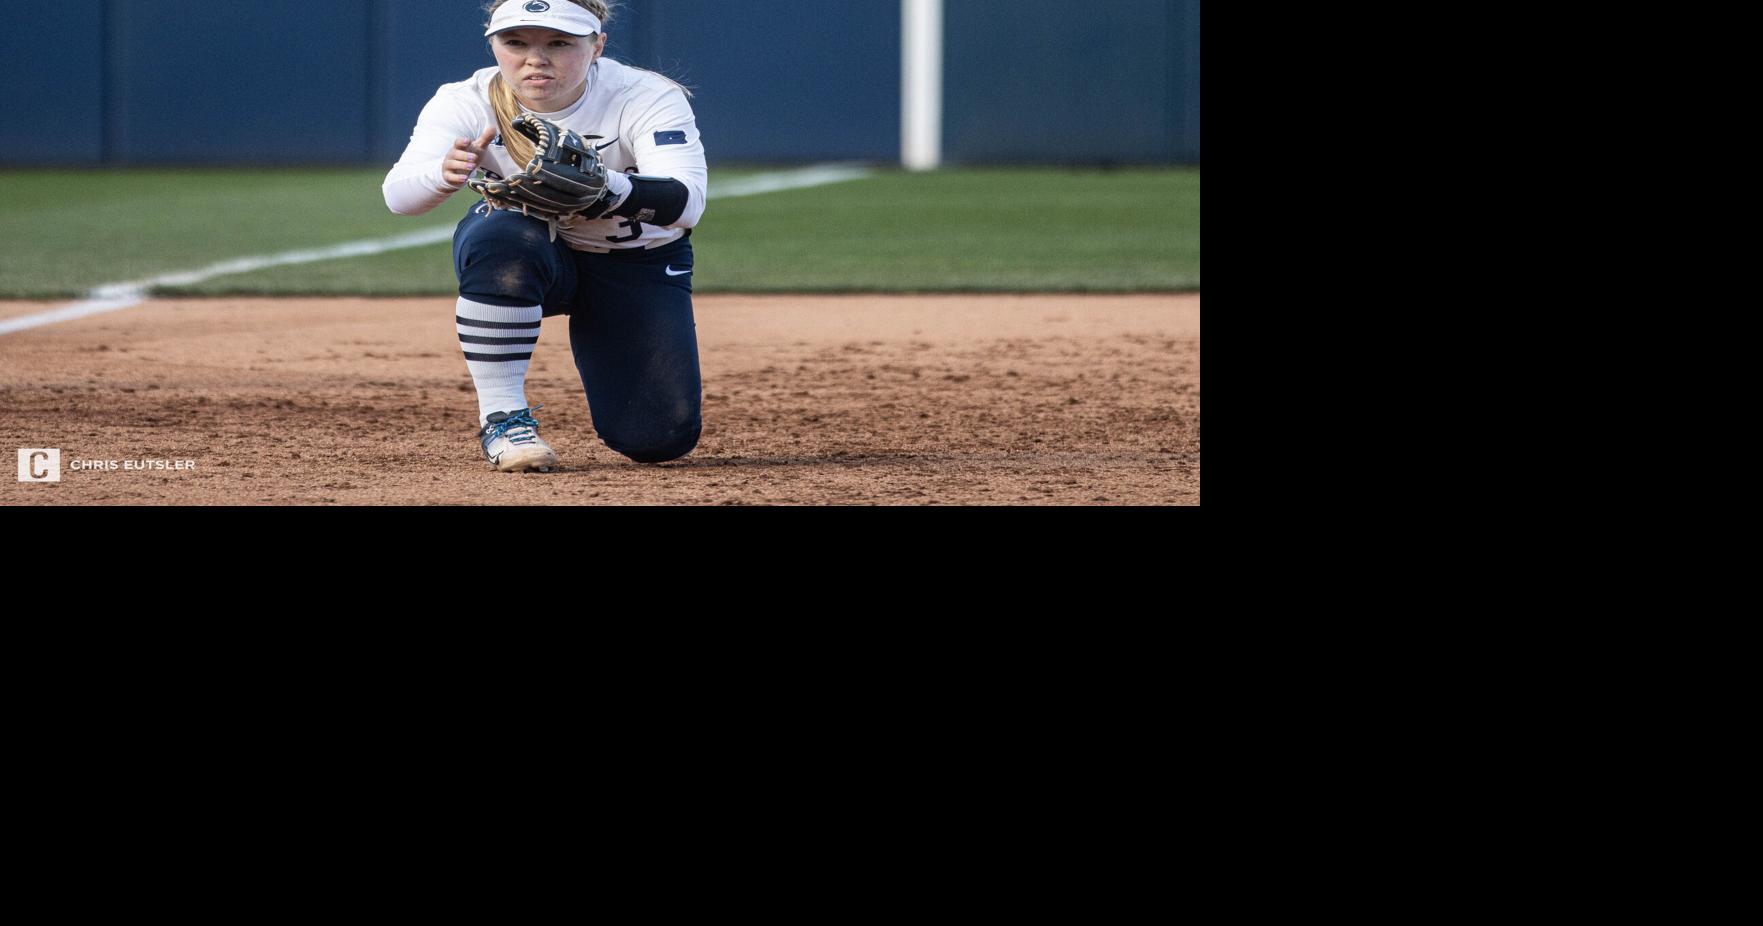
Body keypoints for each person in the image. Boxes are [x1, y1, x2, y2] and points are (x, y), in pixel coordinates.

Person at [383, 0, 707, 472]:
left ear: (597, 45)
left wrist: (604, 186)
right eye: (516, 43)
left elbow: (688, 201)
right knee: (500, 235)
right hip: (533, 250)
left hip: (632, 259)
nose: (536, 59)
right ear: (493, 44)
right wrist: (444, 173)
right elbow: (399, 196)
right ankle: (503, 418)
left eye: (559, 43)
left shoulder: (643, 95)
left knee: (657, 437)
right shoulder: (465, 99)